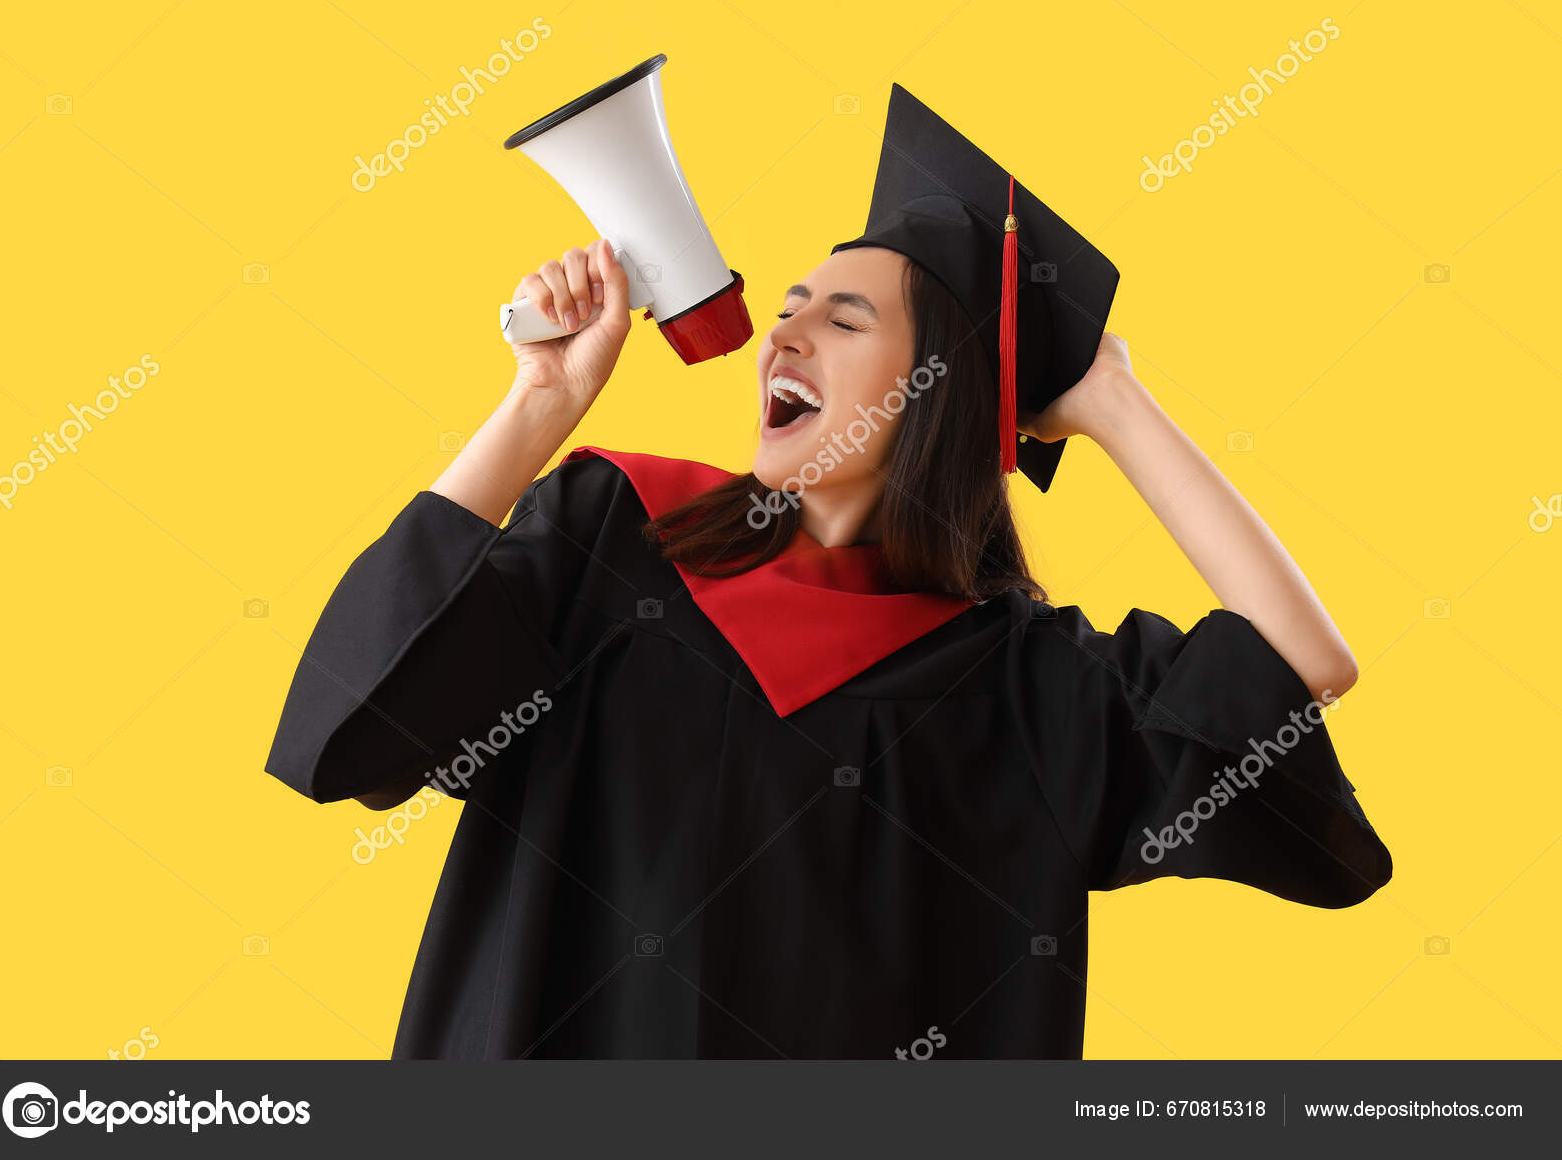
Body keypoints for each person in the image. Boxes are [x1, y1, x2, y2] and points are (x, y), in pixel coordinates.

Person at [263, 86, 1391, 1060]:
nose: (782, 337)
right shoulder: (611, 541)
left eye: (843, 321)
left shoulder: (1025, 687)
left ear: (937, 392)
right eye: (788, 308)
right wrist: (539, 405)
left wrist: (1110, 400)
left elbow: (1303, 667)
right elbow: (355, 727)